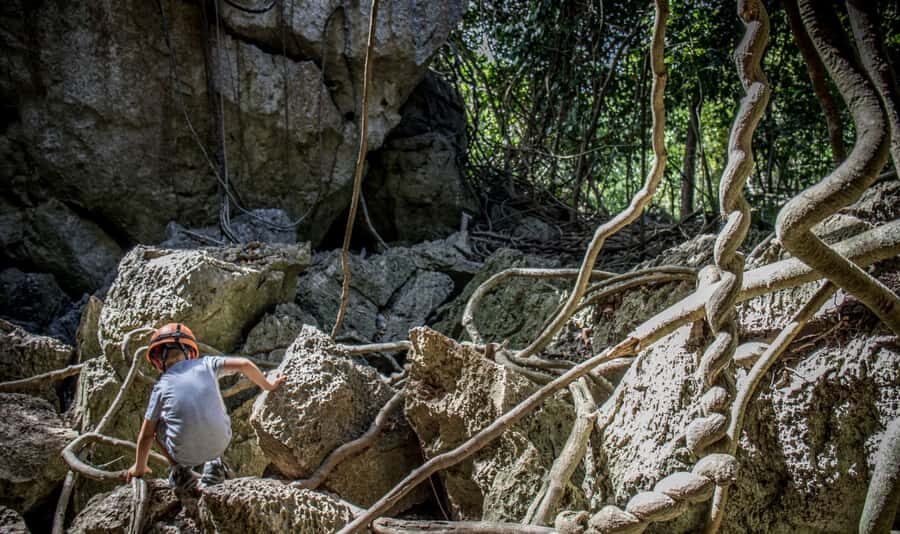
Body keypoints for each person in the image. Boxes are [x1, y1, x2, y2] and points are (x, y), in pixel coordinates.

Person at [125, 323, 285, 494]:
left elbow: (146, 435)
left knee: (156, 427)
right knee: (211, 407)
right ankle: (215, 464)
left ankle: (180, 472)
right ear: (191, 352)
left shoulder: (161, 387)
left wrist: (139, 467)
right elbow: (245, 364)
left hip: (184, 455)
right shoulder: (207, 364)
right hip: (221, 442)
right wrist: (268, 385)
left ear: (158, 361)